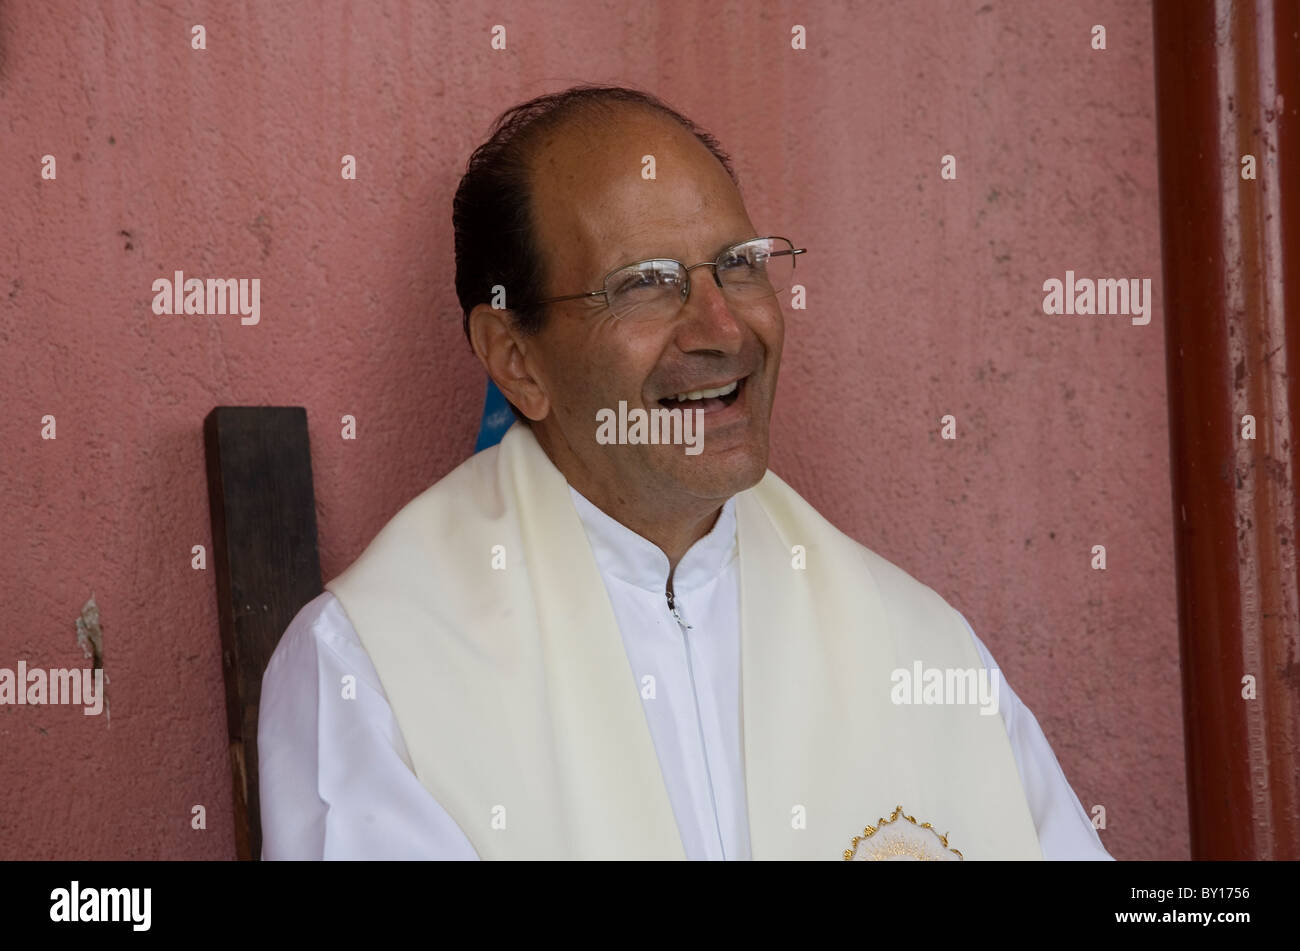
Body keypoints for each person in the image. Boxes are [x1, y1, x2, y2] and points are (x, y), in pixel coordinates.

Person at [258, 84, 1111, 861]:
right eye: (646, 282)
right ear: (516, 358)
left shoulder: (920, 647)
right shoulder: (376, 667)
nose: (722, 327)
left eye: (738, 264)